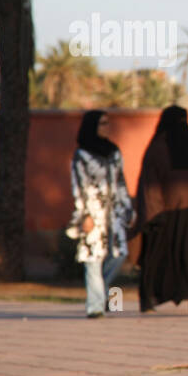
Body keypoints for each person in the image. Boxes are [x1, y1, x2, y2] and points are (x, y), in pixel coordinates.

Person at [135, 105, 188, 312]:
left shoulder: (186, 147)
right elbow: (149, 182)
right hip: (163, 213)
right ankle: (148, 298)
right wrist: (153, 213)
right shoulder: (157, 148)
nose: (183, 126)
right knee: (155, 257)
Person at [66, 110, 134, 318]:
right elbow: (78, 185)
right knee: (93, 259)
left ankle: (101, 293)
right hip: (92, 214)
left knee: (119, 255)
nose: (106, 127)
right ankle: (95, 306)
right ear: (92, 126)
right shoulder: (82, 155)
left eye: (107, 123)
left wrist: (128, 207)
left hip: (113, 213)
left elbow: (121, 181)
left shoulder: (114, 152)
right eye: (102, 123)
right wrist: (84, 214)